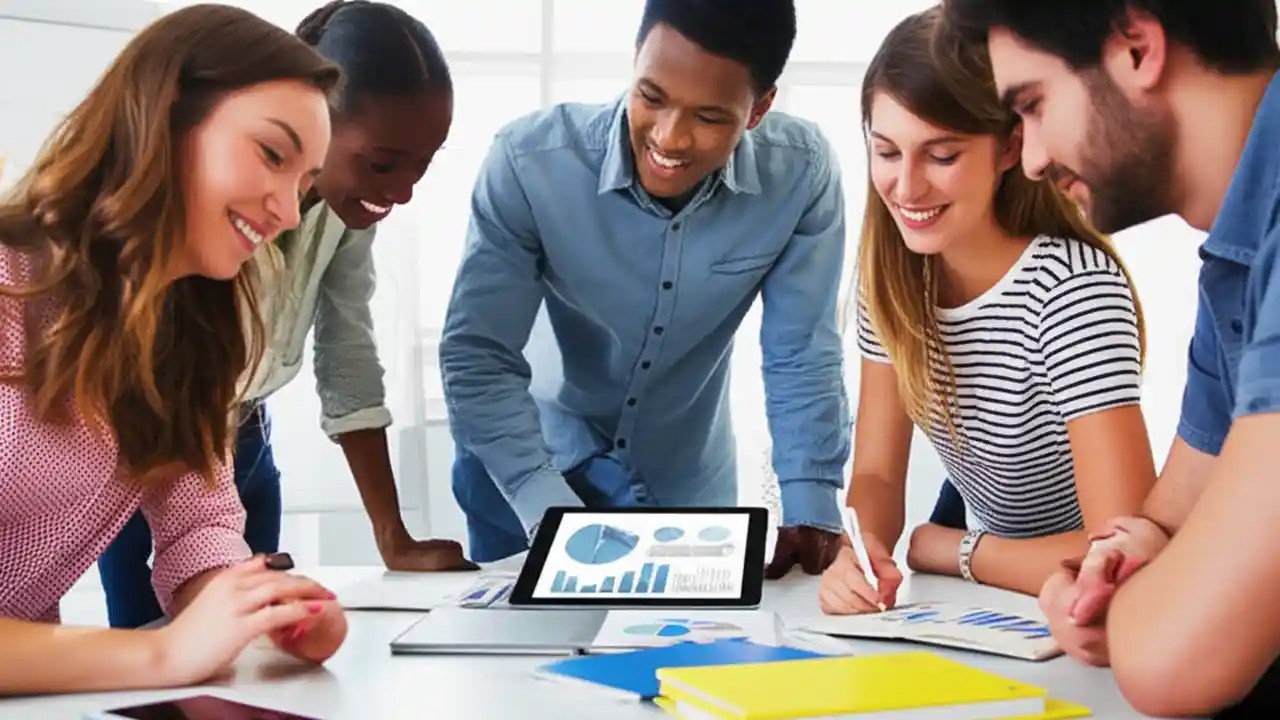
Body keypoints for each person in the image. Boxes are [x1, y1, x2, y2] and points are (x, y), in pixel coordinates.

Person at [945, 0, 1280, 716]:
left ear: (1136, 46)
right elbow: (1161, 520)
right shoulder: (1238, 258)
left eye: (1032, 106)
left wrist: (1125, 604)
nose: (1029, 159)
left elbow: (1172, 661)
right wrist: (1114, 569)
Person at [0, 5, 348, 694]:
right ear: (160, 117)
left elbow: (200, 524)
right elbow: (170, 652)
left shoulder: (183, 328)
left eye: (304, 186)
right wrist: (166, 655)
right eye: (272, 155)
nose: (284, 210)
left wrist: (255, 604)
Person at [97, 0, 474, 631]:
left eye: (423, 165)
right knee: (152, 656)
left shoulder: (340, 211)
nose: (403, 190)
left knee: (244, 654)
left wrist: (392, 536)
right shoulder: (198, 224)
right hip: (152, 444)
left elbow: (347, 351)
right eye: (382, 163)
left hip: (240, 442)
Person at [439, 0, 851, 572]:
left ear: (758, 109)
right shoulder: (529, 163)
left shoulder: (800, 175)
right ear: (634, 61)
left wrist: (810, 498)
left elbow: (801, 349)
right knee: (519, 658)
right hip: (526, 473)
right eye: (651, 97)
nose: (670, 138)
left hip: (683, 491)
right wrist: (550, 515)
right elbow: (478, 355)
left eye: (708, 117)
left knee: (686, 661)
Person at [817, 8, 1155, 616]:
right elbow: (877, 474)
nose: (907, 187)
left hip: (1087, 599)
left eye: (941, 156)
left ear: (1010, 149)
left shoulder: (1071, 289)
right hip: (998, 598)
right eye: (886, 151)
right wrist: (861, 550)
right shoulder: (890, 280)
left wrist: (953, 550)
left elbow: (1123, 550)